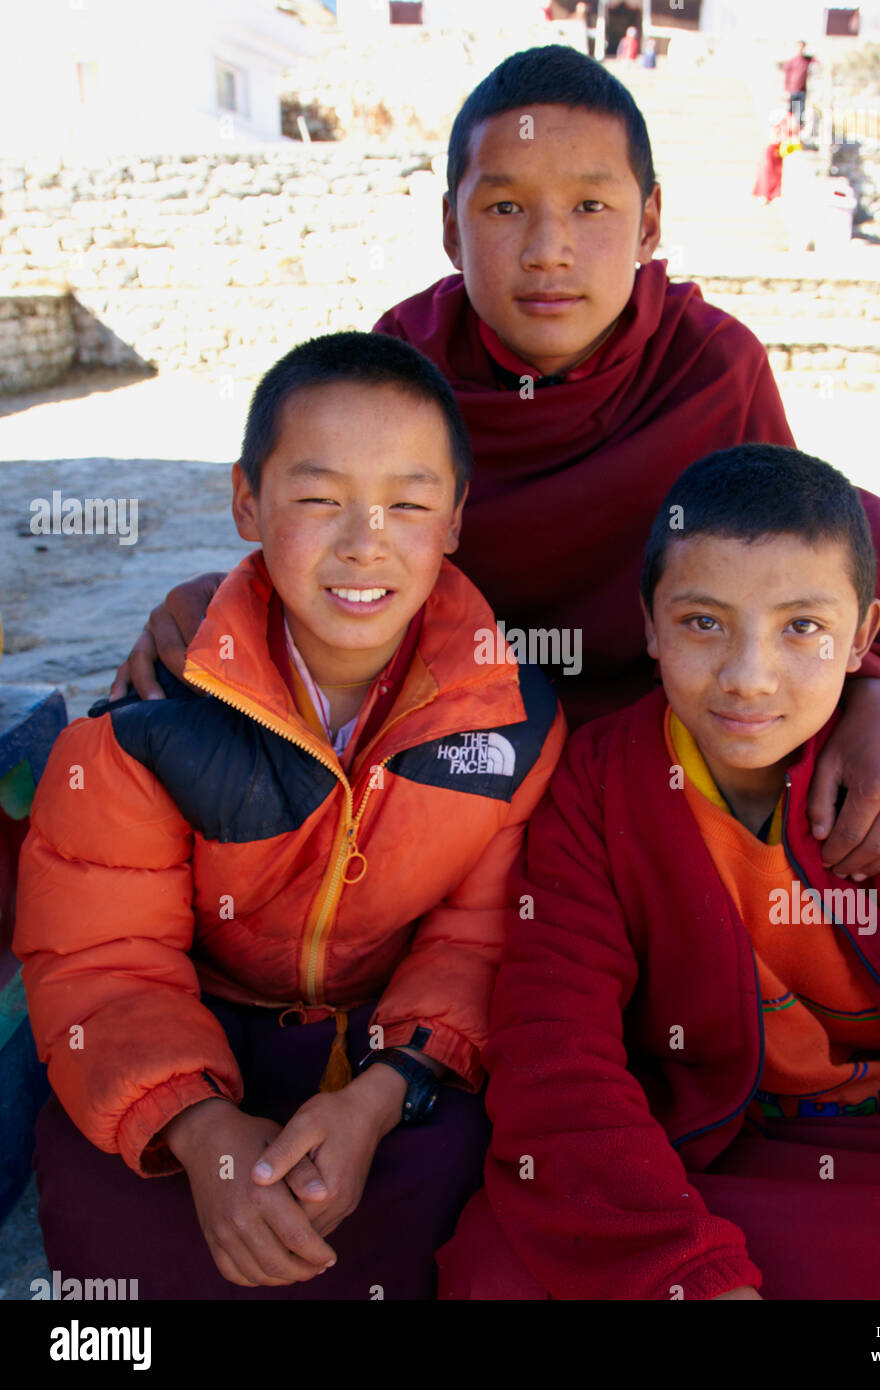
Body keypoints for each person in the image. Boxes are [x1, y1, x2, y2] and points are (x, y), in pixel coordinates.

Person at [114, 45, 880, 915]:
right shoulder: (406, 367)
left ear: (649, 221)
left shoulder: (708, 365)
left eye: (591, 205)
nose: (549, 250)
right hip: (456, 750)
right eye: (505, 206)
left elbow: (813, 537)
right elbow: (344, 537)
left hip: (668, 742)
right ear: (450, 226)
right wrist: (226, 603)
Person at [13, 331, 565, 1300]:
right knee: (107, 1201)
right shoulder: (147, 727)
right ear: (246, 501)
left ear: (456, 520)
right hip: (190, 1017)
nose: (365, 540)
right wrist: (198, 1124)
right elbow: (101, 960)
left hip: (385, 1048)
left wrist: (381, 1098)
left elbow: (479, 943)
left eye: (408, 502)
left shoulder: (512, 724)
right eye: (318, 498)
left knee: (452, 1182)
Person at [435, 445, 880, 1300]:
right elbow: (552, 1047)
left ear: (864, 637)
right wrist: (688, 1276)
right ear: (648, 624)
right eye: (702, 623)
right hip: (704, 1146)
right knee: (494, 1268)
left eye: (802, 626)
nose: (748, 677)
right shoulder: (599, 785)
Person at [783, 39, 816, 128]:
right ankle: (788, 132)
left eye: (802, 47)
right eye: (799, 47)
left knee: (800, 115)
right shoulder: (791, 62)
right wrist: (786, 90)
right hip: (792, 90)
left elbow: (817, 62)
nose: (800, 49)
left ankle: (797, 134)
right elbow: (786, 76)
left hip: (802, 91)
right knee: (791, 112)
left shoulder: (807, 60)